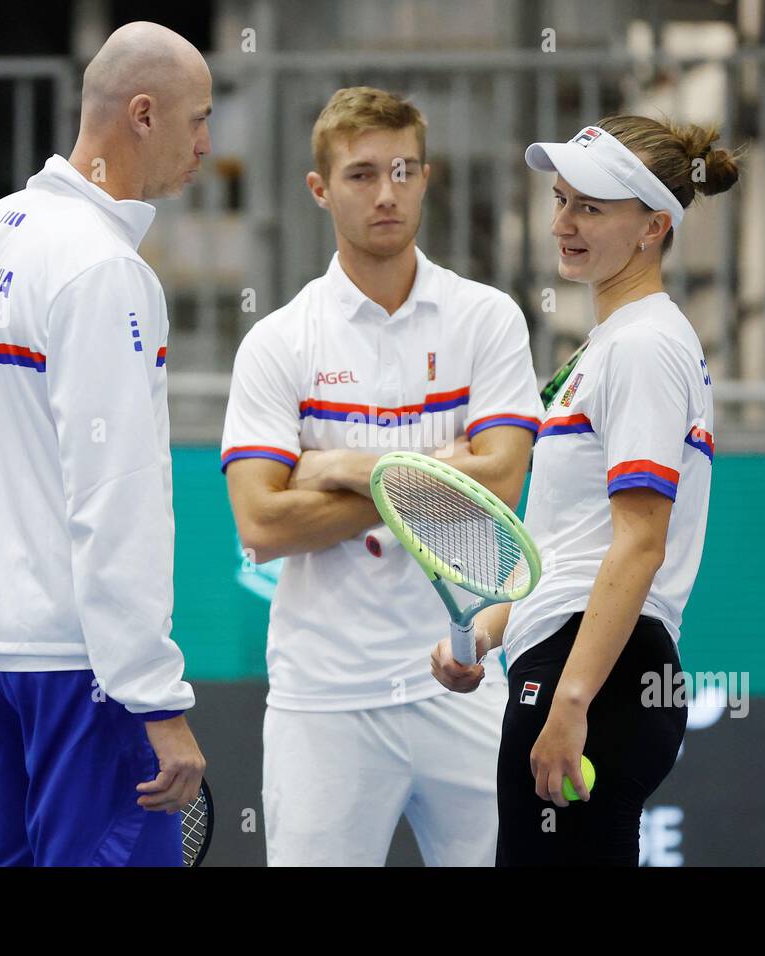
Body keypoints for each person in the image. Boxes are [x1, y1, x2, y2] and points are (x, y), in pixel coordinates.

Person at [0, 21, 212, 866]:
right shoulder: (106, 270)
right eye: (197, 120)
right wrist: (155, 698)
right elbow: (115, 495)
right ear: (143, 115)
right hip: (88, 673)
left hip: (0, 659)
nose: (206, 145)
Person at [221, 87, 542, 866]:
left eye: (403, 170)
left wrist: (334, 469)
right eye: (362, 174)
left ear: (427, 176)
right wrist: (434, 479)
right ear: (319, 189)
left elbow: (498, 484)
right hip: (322, 699)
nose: (387, 192)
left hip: (464, 683)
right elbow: (261, 525)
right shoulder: (277, 342)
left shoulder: (489, 318)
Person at [432, 115, 738, 865]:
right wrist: (490, 629)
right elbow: (578, 544)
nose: (562, 224)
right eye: (562, 200)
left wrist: (571, 702)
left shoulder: (642, 347)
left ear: (653, 227)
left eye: (591, 208)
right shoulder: (612, 345)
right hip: (579, 660)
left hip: (596, 676)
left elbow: (639, 544)